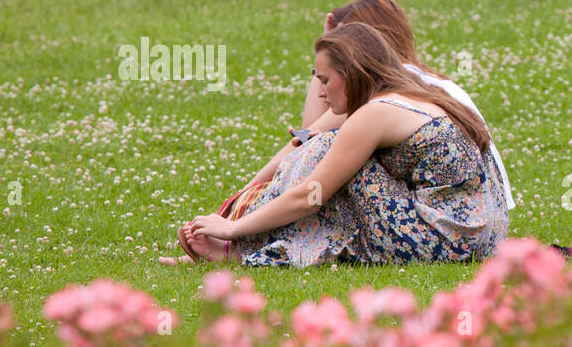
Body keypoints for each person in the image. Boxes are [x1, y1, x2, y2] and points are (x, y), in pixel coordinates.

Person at [181, 22, 508, 267]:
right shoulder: (409, 94)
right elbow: (304, 137)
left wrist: (232, 227)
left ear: (352, 73)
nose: (321, 92)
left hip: (448, 241)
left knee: (329, 157)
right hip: (483, 236)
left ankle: (239, 253)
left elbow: (309, 196)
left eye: (324, 80)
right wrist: (239, 202)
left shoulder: (374, 114)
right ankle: (247, 250)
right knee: (327, 149)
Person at [300, 0, 515, 210]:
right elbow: (308, 137)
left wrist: (263, 183)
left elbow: (306, 145)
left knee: (331, 156)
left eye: (345, 41)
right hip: (486, 210)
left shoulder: (382, 92)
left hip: (454, 215)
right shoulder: (417, 79)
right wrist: (326, 55)